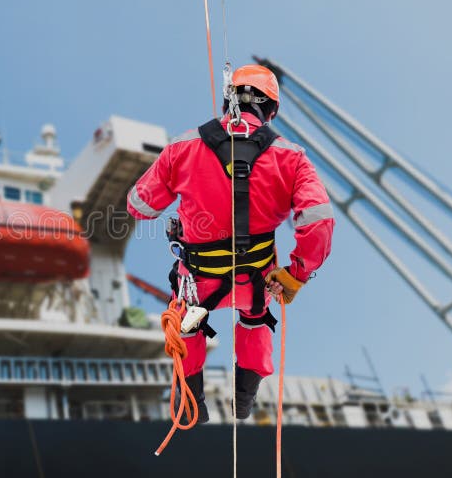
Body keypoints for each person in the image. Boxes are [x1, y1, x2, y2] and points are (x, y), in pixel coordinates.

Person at [127, 64, 334, 421]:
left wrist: (185, 202)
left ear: (228, 100)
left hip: (199, 280)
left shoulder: (182, 146)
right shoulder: (292, 157)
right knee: (255, 319)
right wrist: (298, 272)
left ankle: (191, 402)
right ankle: (245, 397)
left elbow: (139, 207)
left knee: (187, 322)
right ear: (271, 111)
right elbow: (319, 220)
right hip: (256, 282)